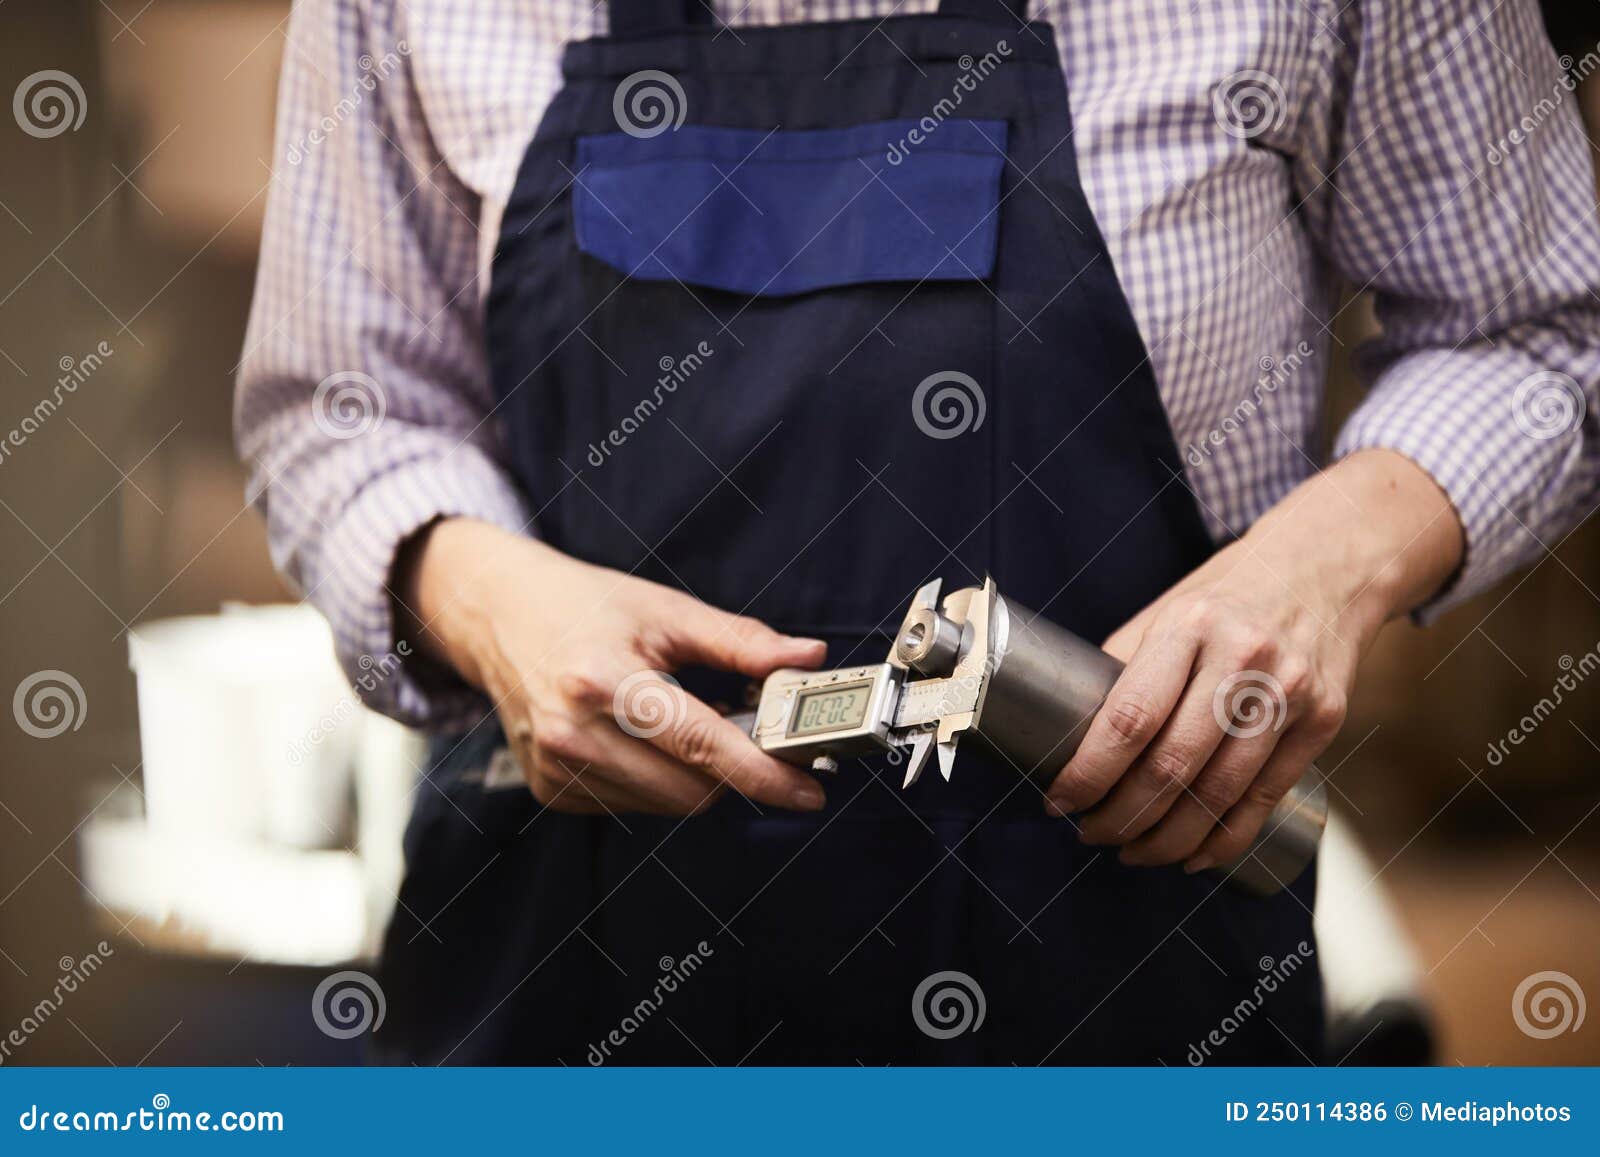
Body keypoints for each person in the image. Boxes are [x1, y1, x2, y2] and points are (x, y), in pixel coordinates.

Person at [236, 0, 1600, 1064]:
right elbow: (340, 409)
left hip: (1122, 999)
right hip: (572, 999)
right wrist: (481, 596)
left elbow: (1544, 330)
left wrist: (1328, 564)